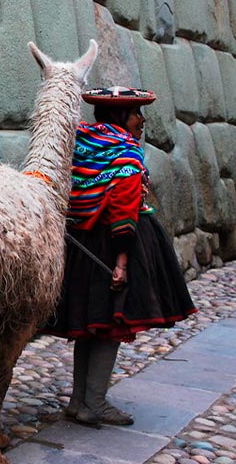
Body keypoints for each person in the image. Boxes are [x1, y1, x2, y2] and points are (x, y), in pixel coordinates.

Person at [44, 86, 197, 427]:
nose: (141, 121)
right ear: (118, 116)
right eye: (135, 114)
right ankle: (95, 402)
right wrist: (122, 263)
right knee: (111, 323)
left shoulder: (83, 144)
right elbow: (124, 213)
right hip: (114, 247)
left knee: (90, 324)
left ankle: (79, 401)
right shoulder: (125, 154)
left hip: (83, 243)